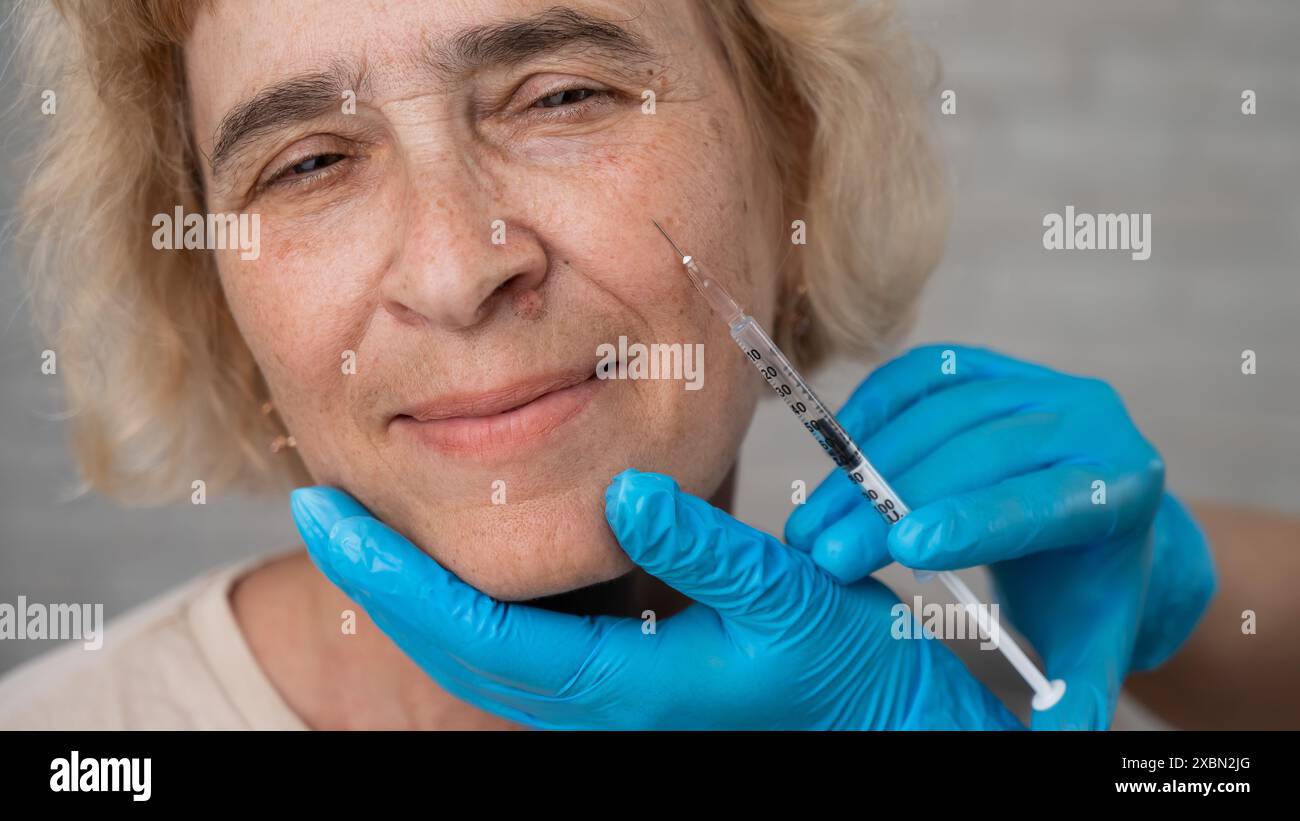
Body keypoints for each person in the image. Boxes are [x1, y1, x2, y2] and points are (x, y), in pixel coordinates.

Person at [2, 0, 1261, 730]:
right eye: (309, 163)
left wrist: (1172, 605)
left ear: (793, 155)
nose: (453, 269)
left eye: (559, 98)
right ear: (219, 300)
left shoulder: (969, 650)